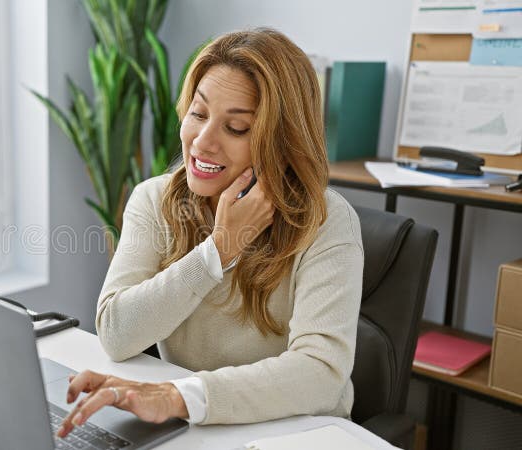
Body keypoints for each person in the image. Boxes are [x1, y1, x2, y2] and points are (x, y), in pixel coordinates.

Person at [57, 28, 364, 438]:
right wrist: (218, 250)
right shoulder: (155, 200)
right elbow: (116, 332)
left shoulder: (326, 220)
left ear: (282, 142)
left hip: (296, 434)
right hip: (197, 426)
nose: (202, 142)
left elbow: (322, 372)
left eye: (235, 127)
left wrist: (179, 396)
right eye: (198, 114)